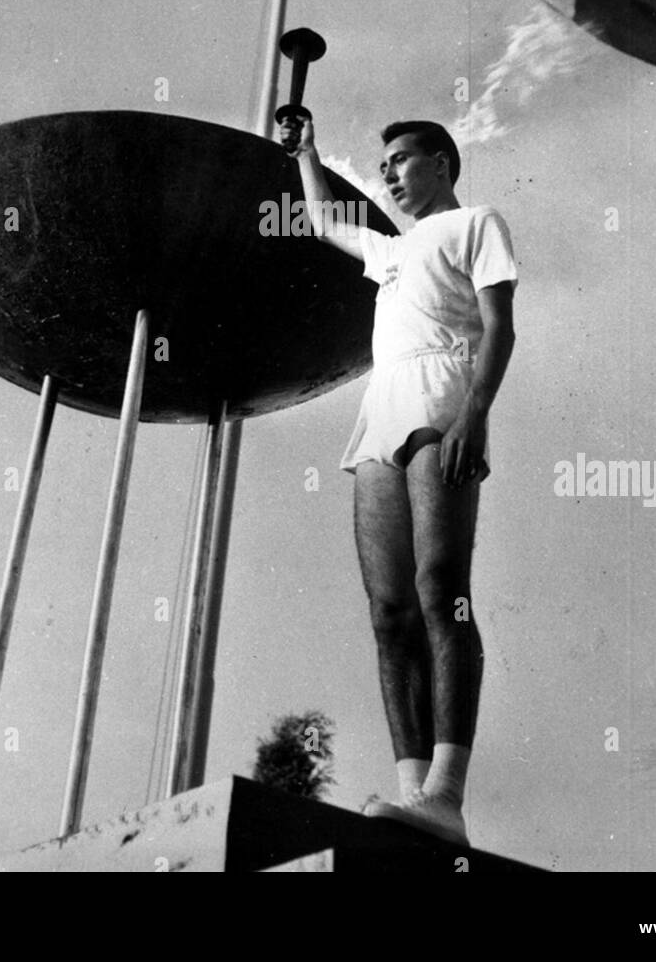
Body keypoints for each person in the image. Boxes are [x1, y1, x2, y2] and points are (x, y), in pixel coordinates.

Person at [278, 114, 517, 846]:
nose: (388, 173)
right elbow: (320, 219)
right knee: (389, 608)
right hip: (382, 405)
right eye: (383, 163)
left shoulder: (477, 222)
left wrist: (474, 415)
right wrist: (307, 154)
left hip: (444, 394)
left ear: (441, 165)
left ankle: (446, 795)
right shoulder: (388, 249)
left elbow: (500, 325)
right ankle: (411, 792)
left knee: (440, 586)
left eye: (402, 160)